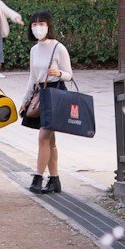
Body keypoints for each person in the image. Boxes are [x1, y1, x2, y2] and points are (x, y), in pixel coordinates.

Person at [24, 12, 73, 195]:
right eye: (34, 24)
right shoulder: (34, 50)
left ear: (48, 25)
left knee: (43, 137)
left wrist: (58, 73)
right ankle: (55, 180)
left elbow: (69, 74)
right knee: (50, 141)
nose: (38, 27)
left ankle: (38, 177)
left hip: (56, 93)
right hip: (40, 94)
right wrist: (25, 100)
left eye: (42, 24)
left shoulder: (58, 48)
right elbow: (32, 77)